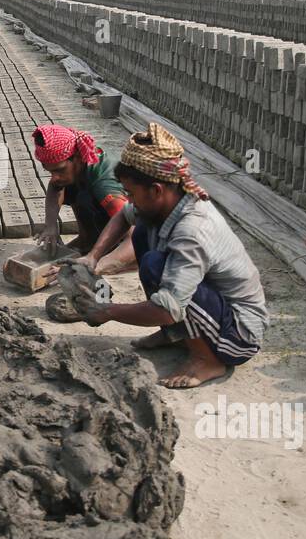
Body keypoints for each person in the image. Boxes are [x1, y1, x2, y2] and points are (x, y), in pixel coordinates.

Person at [71, 123, 269, 389]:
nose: (127, 198)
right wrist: (93, 257)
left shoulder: (193, 230)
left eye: (130, 192)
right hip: (210, 309)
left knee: (157, 269)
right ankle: (174, 334)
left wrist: (107, 311)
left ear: (156, 190)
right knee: (141, 233)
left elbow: (167, 308)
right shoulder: (166, 203)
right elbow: (122, 216)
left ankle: (207, 360)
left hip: (237, 335)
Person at [32, 124, 135, 271]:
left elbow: (136, 238)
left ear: (78, 158)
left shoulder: (104, 183)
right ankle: (88, 242)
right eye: (50, 172)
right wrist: (50, 226)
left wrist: (92, 264)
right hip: (102, 230)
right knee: (74, 187)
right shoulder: (75, 169)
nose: (54, 178)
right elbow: (55, 187)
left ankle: (109, 251)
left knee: (85, 195)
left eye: (59, 170)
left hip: (137, 242)